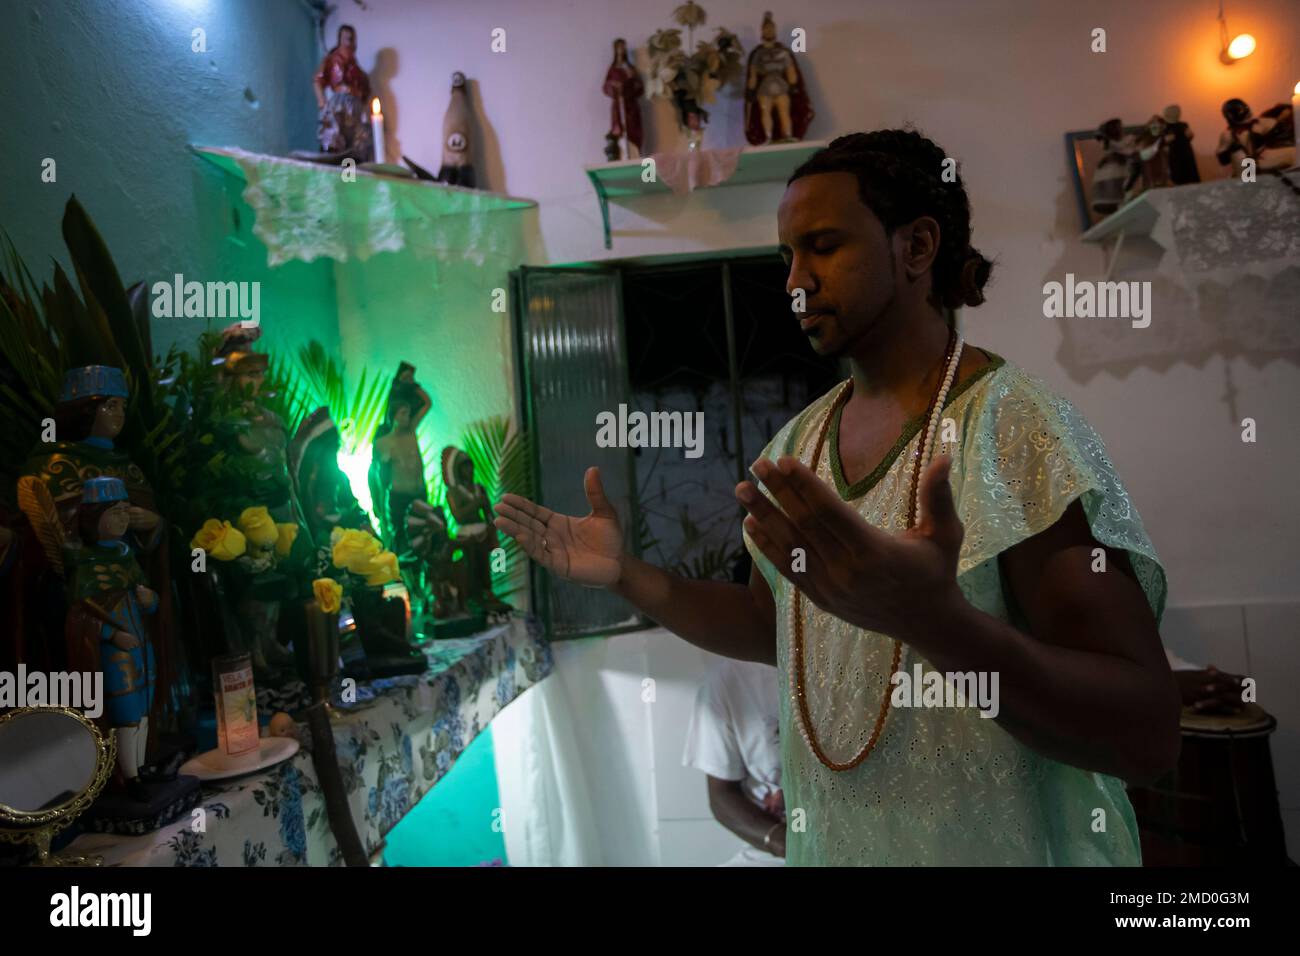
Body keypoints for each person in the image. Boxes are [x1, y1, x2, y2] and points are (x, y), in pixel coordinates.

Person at [494, 130, 1179, 866]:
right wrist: (631, 576)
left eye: (823, 246)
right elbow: (773, 624)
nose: (795, 281)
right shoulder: (795, 447)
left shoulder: (1014, 430)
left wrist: (935, 622)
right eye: (786, 256)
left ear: (916, 248)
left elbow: (1143, 733)